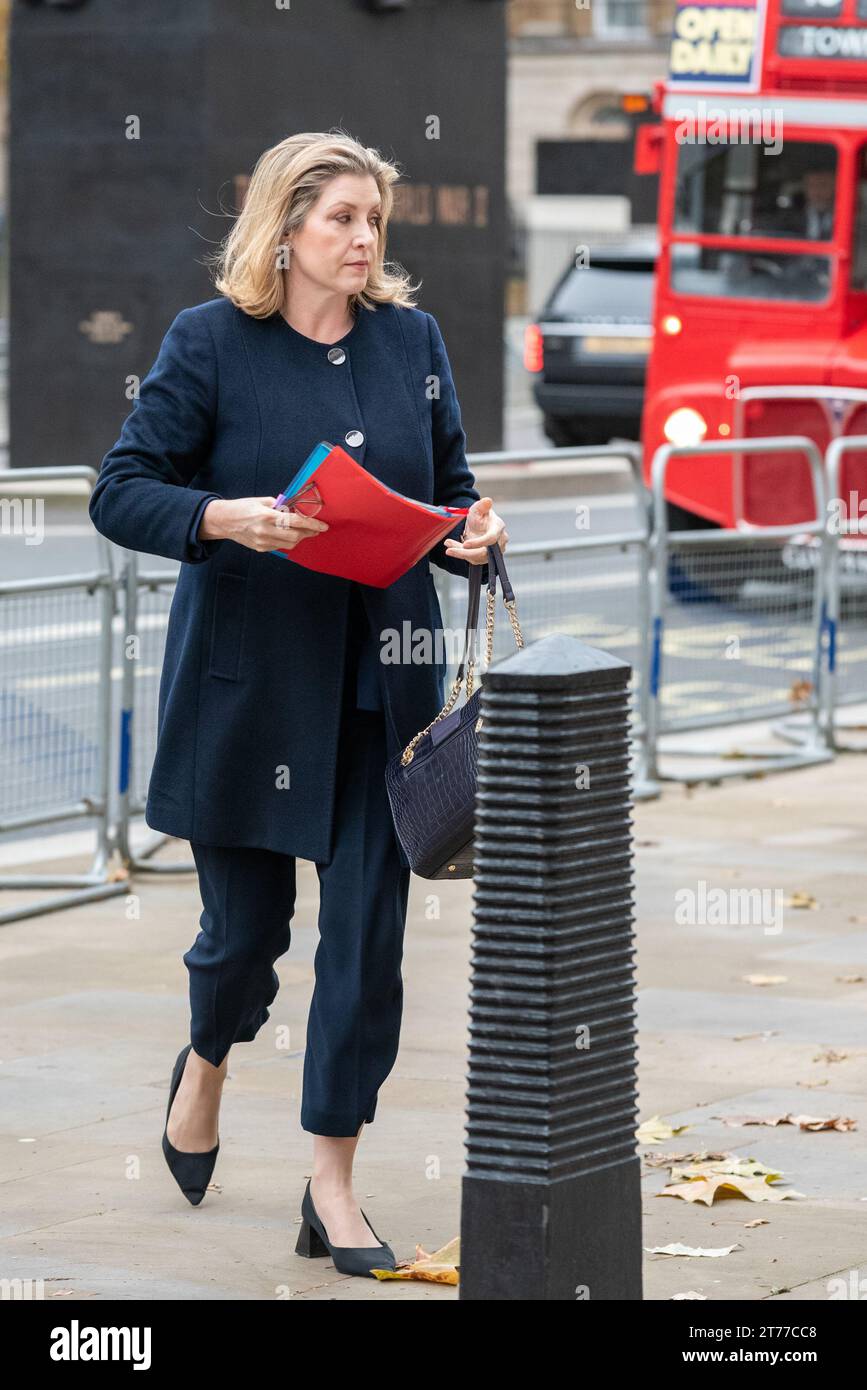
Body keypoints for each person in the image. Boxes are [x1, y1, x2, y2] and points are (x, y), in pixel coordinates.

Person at [88, 129, 508, 1278]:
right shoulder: (209, 342)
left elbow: (454, 491)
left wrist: (474, 532)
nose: (366, 239)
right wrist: (226, 517)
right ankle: (209, 1060)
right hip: (249, 698)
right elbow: (121, 491)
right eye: (343, 219)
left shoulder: (411, 340)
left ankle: (333, 1184)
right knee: (245, 938)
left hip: (384, 701)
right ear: (285, 227)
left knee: (366, 948)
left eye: (376, 220)